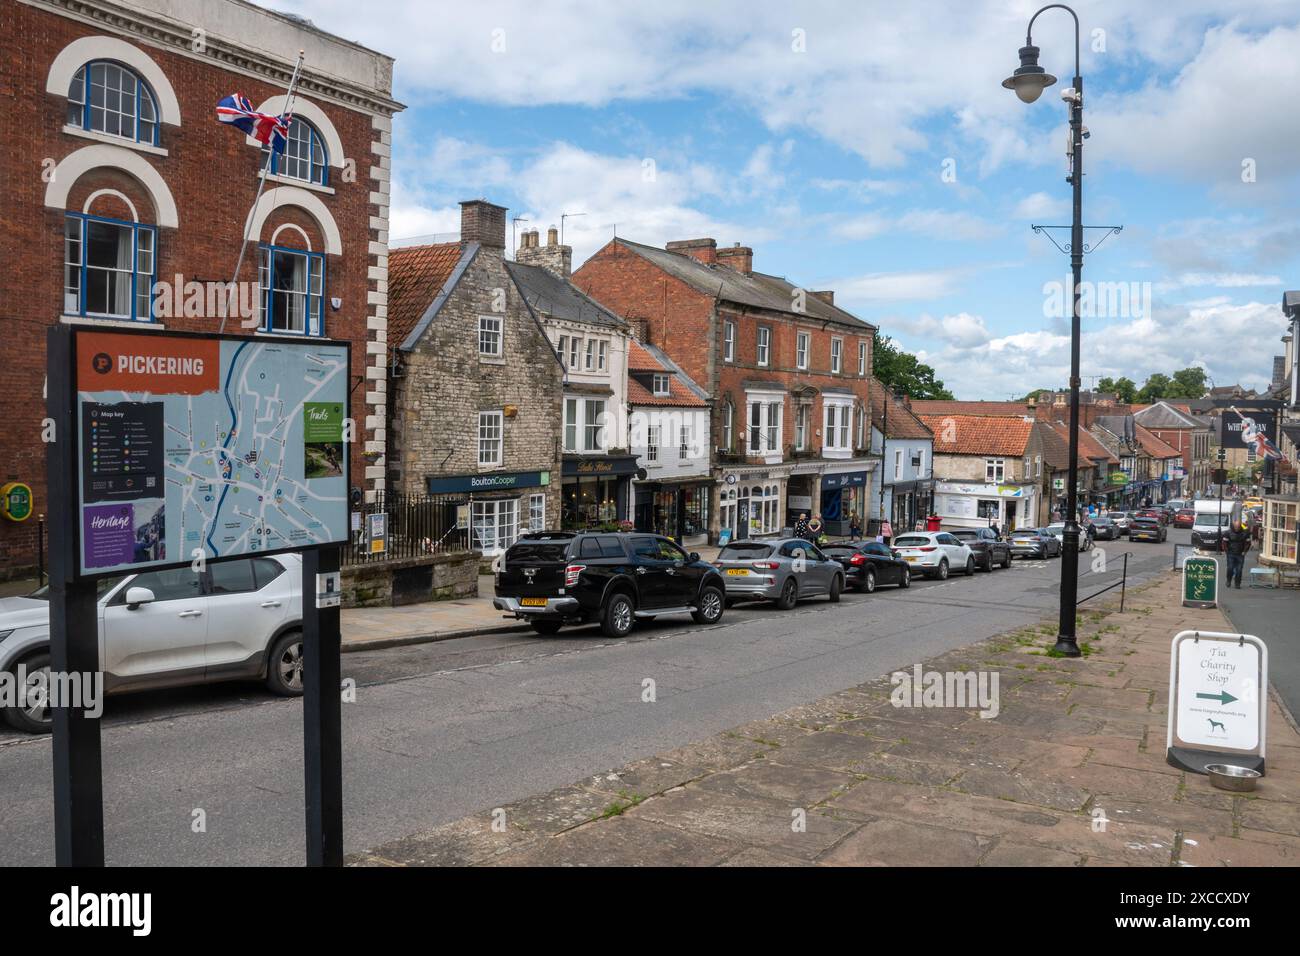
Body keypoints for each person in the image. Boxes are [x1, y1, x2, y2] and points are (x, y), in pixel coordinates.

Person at [1224, 518, 1251, 589]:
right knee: (1230, 568)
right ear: (1233, 526)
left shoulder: (1245, 533)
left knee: (1239, 570)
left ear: (1240, 526)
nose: (1237, 528)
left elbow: (1248, 543)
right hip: (1230, 553)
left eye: (1238, 527)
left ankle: (1237, 583)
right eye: (1236, 527)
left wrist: (1244, 552)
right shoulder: (1228, 533)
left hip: (1240, 553)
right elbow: (1224, 543)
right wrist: (1226, 552)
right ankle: (1228, 580)